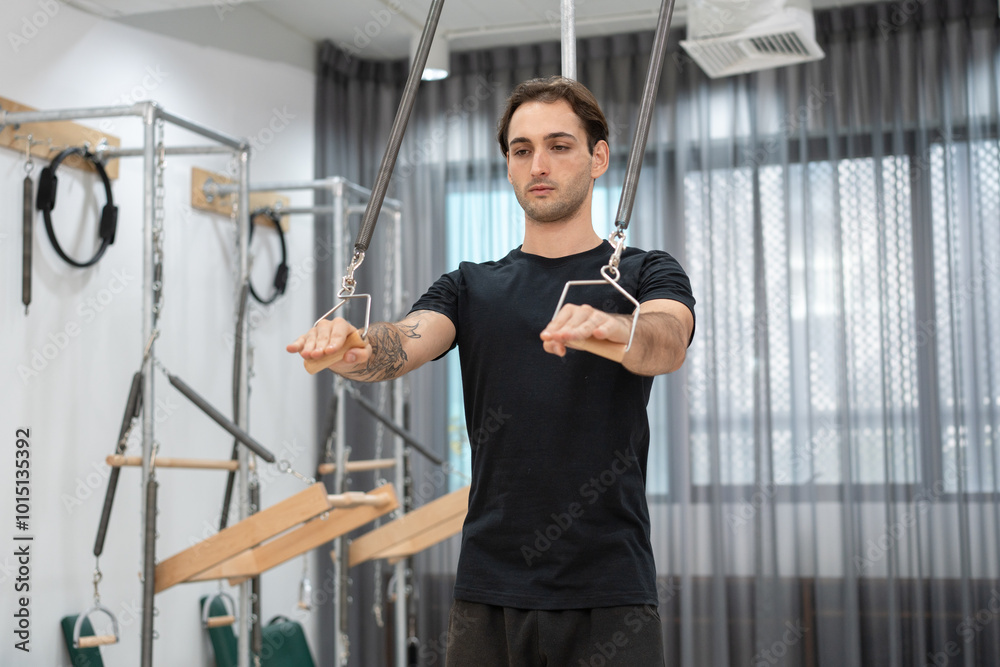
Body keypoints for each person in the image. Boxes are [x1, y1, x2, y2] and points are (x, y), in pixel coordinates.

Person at [288, 76, 695, 666]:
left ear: (598, 157)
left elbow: (666, 342)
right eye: (522, 150)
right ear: (507, 166)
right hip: (489, 595)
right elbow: (403, 339)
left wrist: (615, 329)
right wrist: (355, 348)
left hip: (609, 591)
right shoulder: (471, 286)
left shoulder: (642, 274)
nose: (539, 165)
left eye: (559, 145)